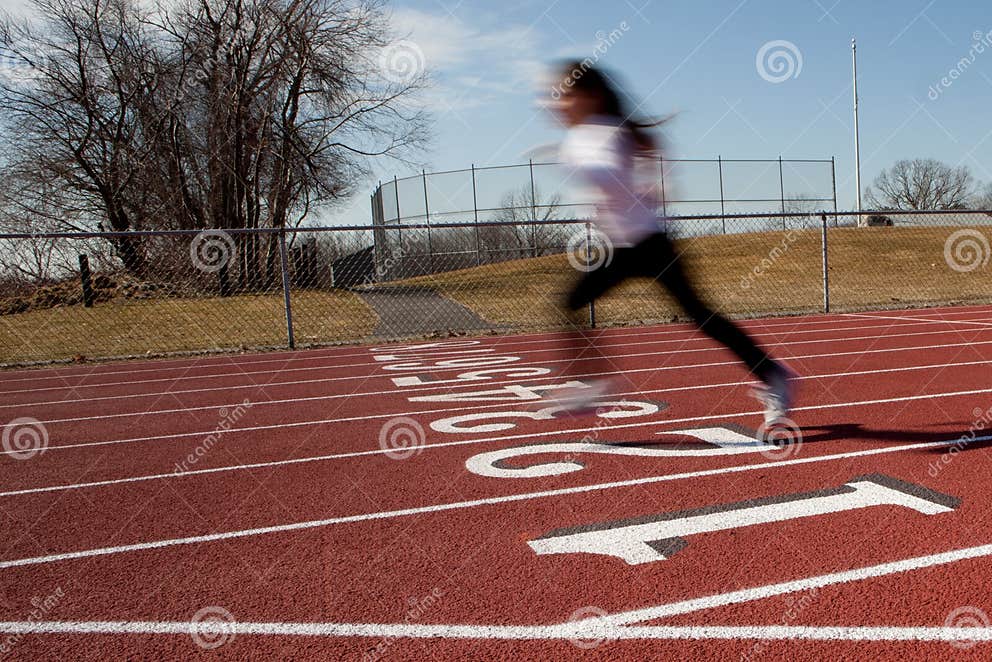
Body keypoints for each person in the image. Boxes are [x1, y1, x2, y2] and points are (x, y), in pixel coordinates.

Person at [546, 60, 795, 426]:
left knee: (702, 318)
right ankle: (594, 383)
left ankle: (774, 374)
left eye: (563, 95)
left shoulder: (610, 130)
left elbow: (613, 175)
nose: (555, 103)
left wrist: (592, 173)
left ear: (590, 95)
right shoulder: (578, 138)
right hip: (617, 246)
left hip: (650, 244)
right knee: (569, 302)